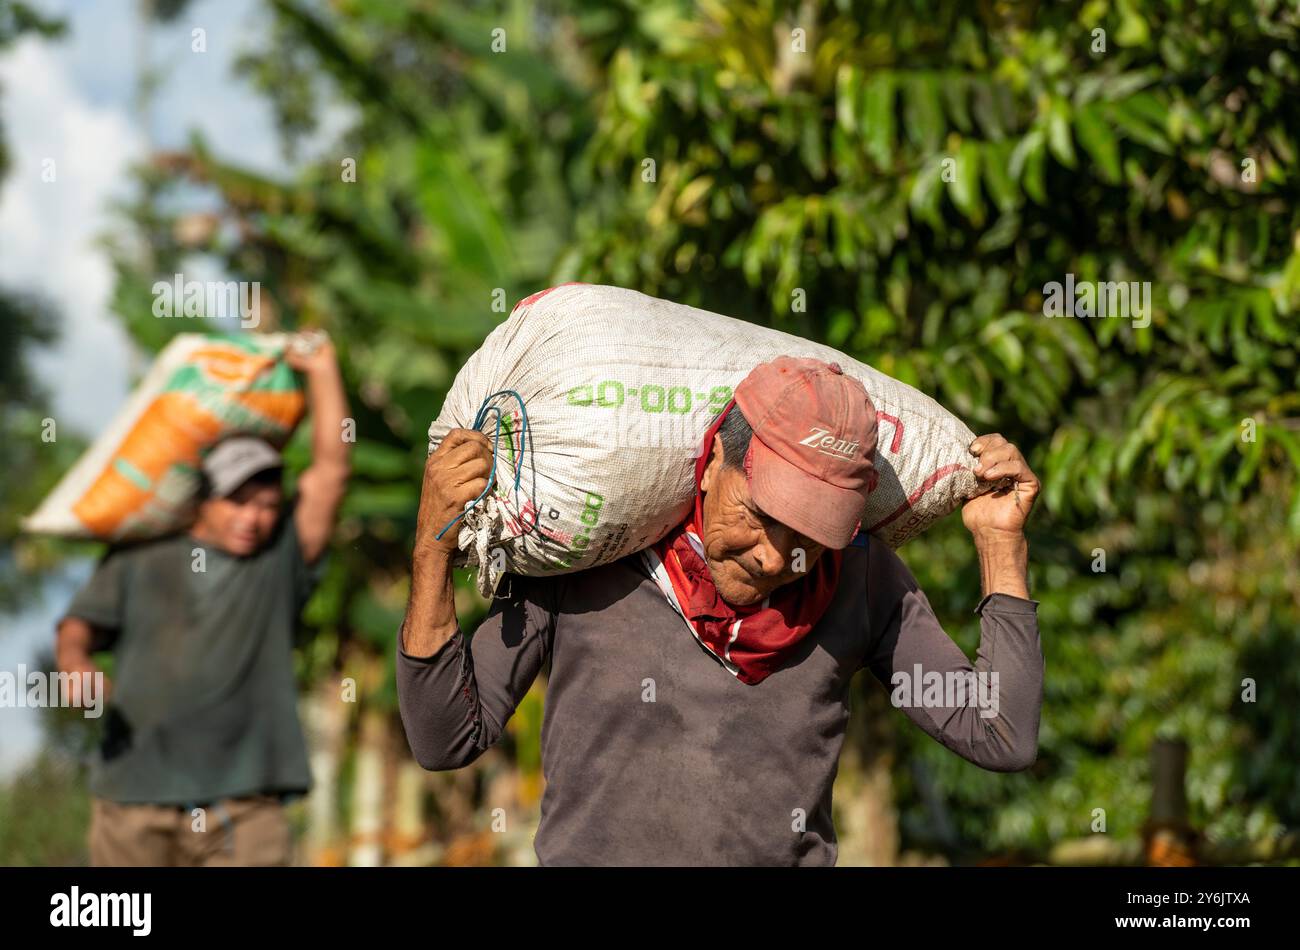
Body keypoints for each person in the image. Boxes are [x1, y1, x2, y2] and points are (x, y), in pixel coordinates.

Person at [398, 355, 1043, 866]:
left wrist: (999, 543)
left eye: (811, 537)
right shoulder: (585, 557)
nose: (774, 558)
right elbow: (446, 737)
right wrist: (433, 550)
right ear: (711, 463)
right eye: (761, 517)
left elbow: (998, 733)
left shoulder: (861, 579)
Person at [56, 333, 350, 867]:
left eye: (265, 505)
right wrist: (74, 663)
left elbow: (330, 473)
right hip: (134, 801)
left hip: (245, 805)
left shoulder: (278, 560)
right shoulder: (141, 554)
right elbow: (78, 625)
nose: (253, 518)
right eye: (237, 502)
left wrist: (323, 368)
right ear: (203, 502)